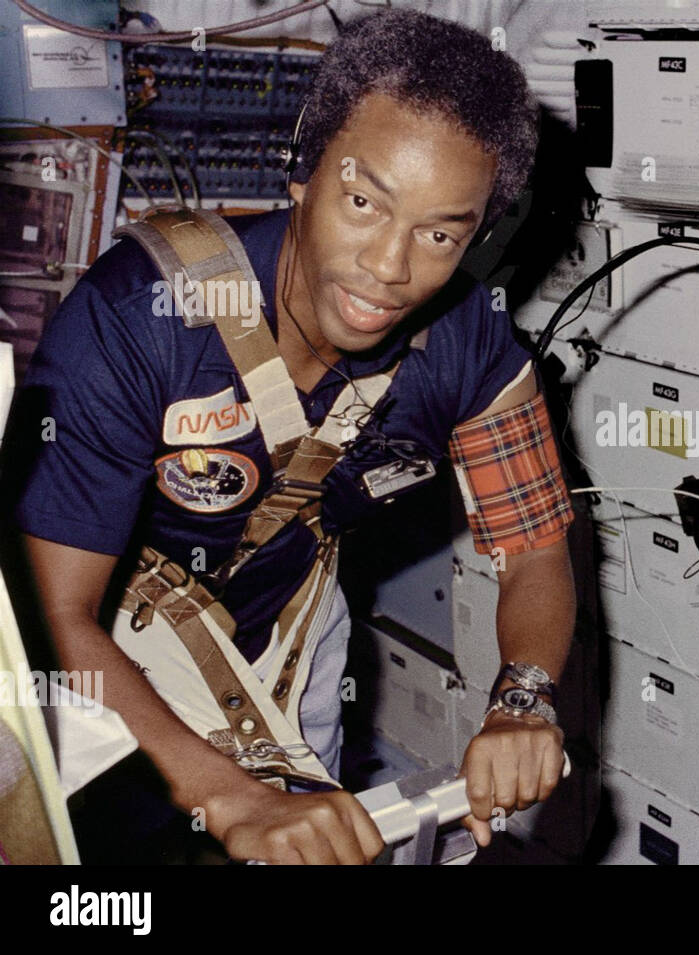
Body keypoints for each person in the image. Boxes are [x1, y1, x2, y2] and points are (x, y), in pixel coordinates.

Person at [9, 9, 576, 864]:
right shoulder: (139, 319)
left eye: (439, 234)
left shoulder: (472, 346)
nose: (390, 267)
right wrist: (233, 798)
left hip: (286, 640)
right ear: (304, 168)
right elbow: (57, 617)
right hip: (102, 655)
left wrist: (522, 701)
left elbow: (534, 546)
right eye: (363, 202)